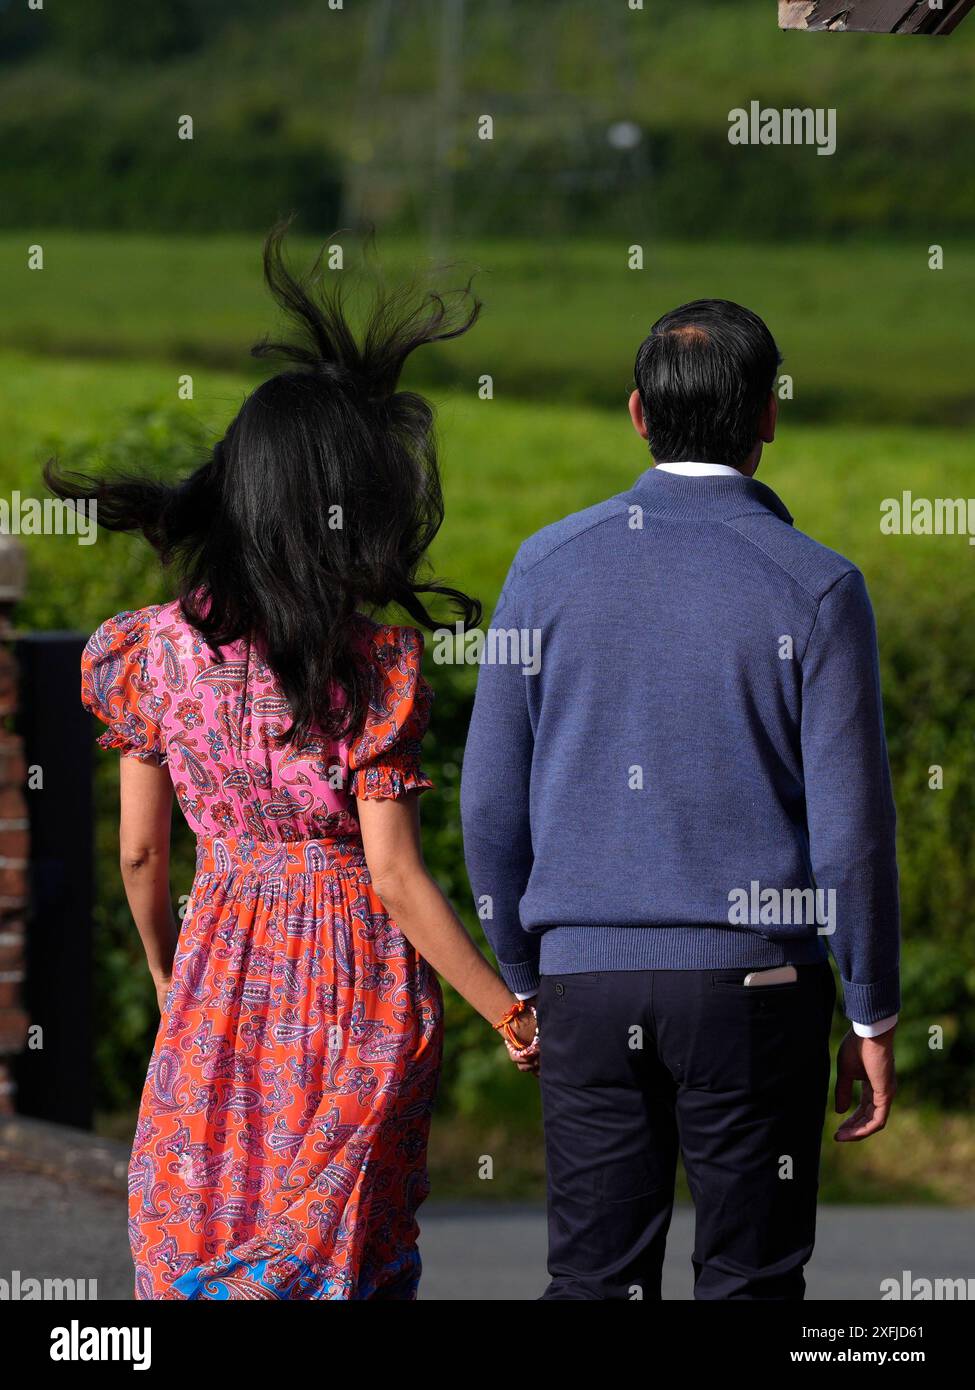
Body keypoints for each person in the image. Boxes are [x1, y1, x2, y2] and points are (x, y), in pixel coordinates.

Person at [48, 226, 538, 1301]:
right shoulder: (374, 665)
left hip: (219, 964)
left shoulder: (146, 654)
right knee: (340, 1243)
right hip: (357, 983)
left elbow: (141, 856)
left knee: (209, 1218)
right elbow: (396, 876)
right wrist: (509, 1011)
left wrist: (171, 973)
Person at [461, 299, 899, 1301]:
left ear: (637, 414)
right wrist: (872, 1009)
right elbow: (853, 834)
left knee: (592, 1280)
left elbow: (488, 804)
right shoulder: (819, 586)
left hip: (582, 982)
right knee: (751, 1281)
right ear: (769, 414)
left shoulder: (543, 567)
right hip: (757, 990)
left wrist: (524, 975)